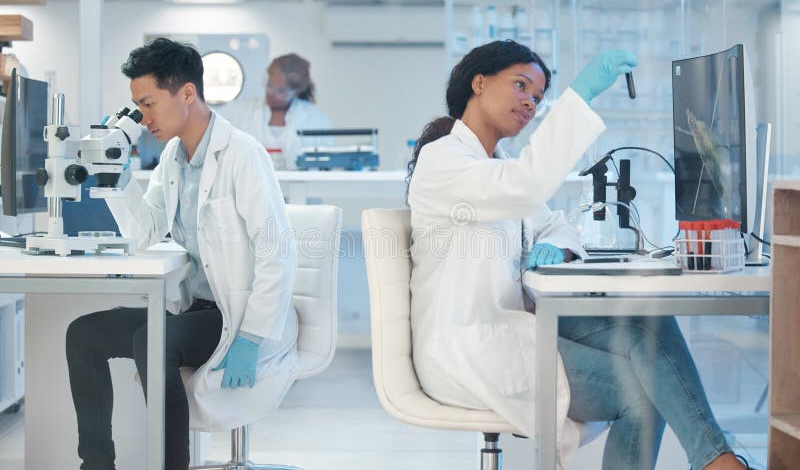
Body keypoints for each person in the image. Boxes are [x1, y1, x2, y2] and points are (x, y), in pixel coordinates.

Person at [406, 40, 748, 470]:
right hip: (470, 348)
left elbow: (553, 222)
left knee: (648, 317)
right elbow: (523, 187)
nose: (530, 102)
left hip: (515, 326)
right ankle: (719, 462)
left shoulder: (495, 161)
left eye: (538, 96)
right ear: (478, 82)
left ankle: (716, 460)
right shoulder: (444, 160)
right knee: (644, 390)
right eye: (521, 86)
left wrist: (561, 246)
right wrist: (580, 97)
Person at [65, 38, 298, 470]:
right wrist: (115, 176)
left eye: (149, 103)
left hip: (235, 316)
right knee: (84, 334)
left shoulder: (242, 154)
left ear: (187, 93)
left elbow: (278, 253)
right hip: (194, 309)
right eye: (138, 107)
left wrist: (250, 336)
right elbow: (144, 232)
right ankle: (97, 464)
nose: (144, 118)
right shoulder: (174, 155)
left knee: (150, 339)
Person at [263, 53, 331, 169]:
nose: (271, 94)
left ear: (296, 92)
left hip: (300, 186)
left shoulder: (316, 119)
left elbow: (327, 164)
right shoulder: (242, 110)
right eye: (270, 86)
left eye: (281, 91)